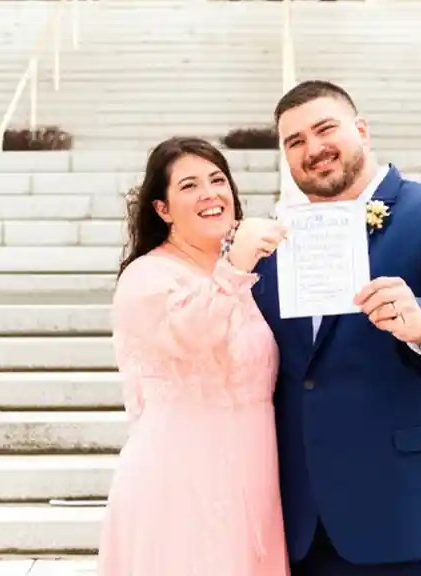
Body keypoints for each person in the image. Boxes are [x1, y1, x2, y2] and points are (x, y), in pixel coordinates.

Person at [252, 81, 421, 575]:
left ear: (362, 130)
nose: (313, 149)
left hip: (420, 507)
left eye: (325, 129)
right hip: (309, 522)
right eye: (295, 141)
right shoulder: (275, 242)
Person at [98, 136, 292, 576]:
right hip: (180, 483)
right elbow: (195, 335)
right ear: (162, 209)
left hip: (254, 482)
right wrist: (237, 265)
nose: (210, 193)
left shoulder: (247, 276)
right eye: (189, 186)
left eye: (217, 179)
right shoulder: (147, 277)